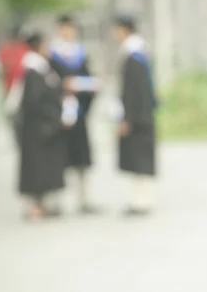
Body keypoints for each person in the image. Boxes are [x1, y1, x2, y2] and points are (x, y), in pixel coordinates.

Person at [18, 32, 77, 219]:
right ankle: (35, 205)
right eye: (45, 46)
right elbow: (35, 102)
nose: (48, 49)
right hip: (37, 129)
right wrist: (55, 113)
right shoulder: (32, 70)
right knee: (36, 168)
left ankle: (45, 204)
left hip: (46, 128)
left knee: (46, 166)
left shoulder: (44, 68)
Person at [49, 14, 101, 214]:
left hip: (78, 113)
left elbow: (89, 78)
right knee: (59, 158)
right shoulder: (51, 55)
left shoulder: (81, 53)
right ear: (59, 30)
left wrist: (86, 89)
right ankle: (56, 201)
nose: (68, 32)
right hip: (59, 115)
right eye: (64, 28)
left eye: (71, 28)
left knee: (81, 159)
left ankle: (83, 200)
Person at [112, 15, 157, 216]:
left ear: (124, 29)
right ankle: (141, 200)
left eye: (116, 29)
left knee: (140, 160)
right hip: (144, 115)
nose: (114, 34)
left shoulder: (133, 56)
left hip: (137, 118)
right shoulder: (141, 52)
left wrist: (127, 119)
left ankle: (141, 202)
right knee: (142, 159)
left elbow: (132, 92)